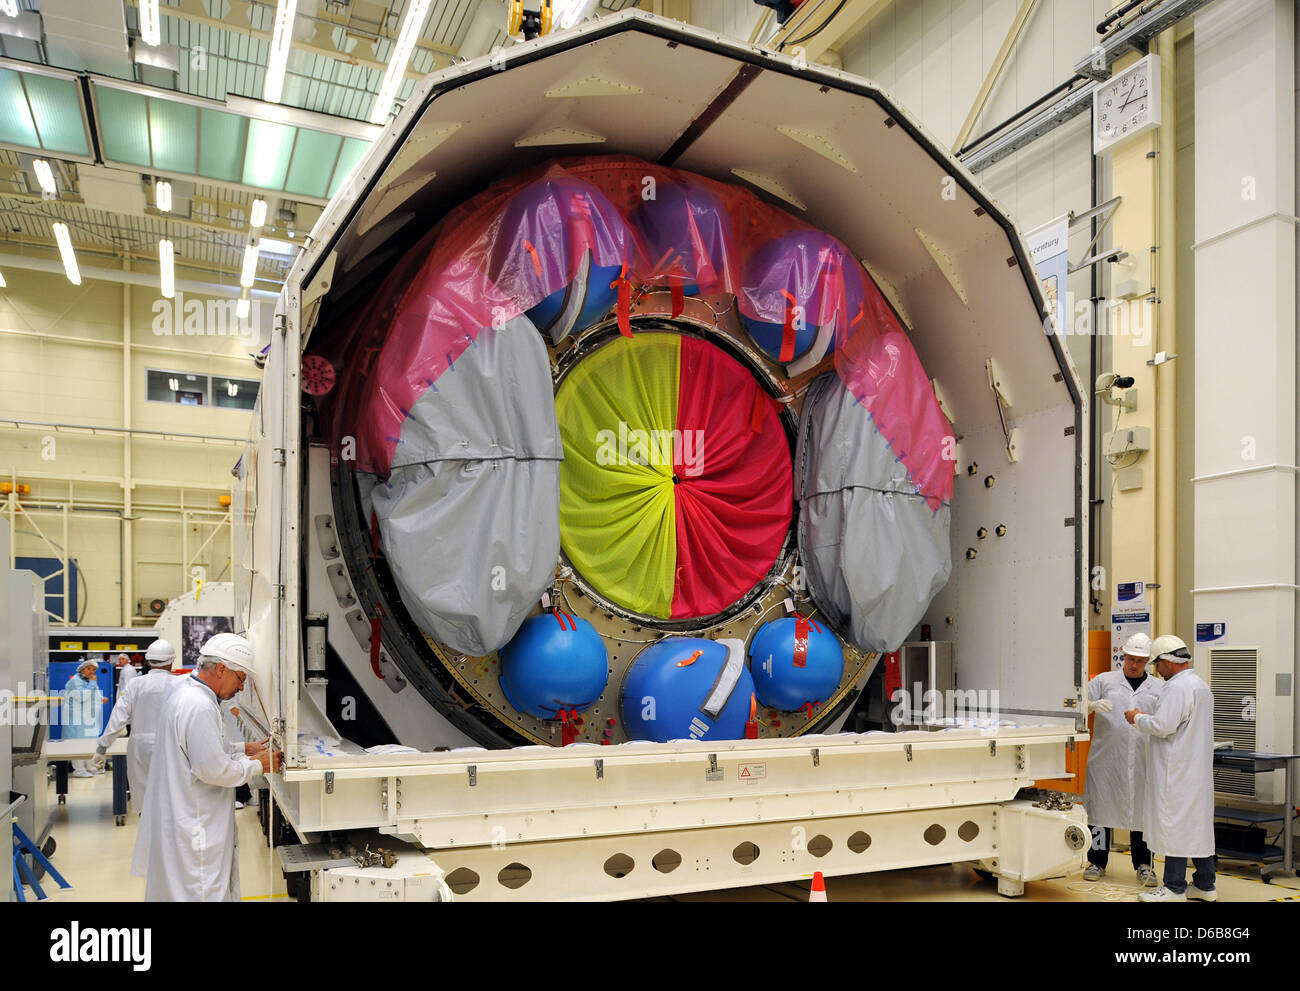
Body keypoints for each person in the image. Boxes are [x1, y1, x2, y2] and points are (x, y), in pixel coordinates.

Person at [132, 632, 282, 902]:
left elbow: (198, 749)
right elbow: (214, 770)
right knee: (202, 892)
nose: (240, 688)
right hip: (195, 828)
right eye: (240, 679)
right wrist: (259, 766)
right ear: (222, 668)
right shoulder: (200, 705)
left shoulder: (183, 690)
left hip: (181, 821)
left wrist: (242, 749)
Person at [1126, 635, 1217, 902]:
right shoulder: (1200, 685)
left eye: (1157, 664)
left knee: (1175, 826)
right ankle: (1205, 884)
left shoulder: (1178, 688)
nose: (1156, 670)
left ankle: (1175, 887)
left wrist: (1137, 718)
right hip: (1195, 772)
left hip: (1175, 772)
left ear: (1167, 662)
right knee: (1196, 827)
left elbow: (1162, 726)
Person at [1082, 632, 1163, 886]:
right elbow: (1074, 702)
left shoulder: (1158, 688)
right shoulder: (1105, 681)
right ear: (1123, 656)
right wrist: (1091, 706)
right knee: (1100, 810)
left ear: (1147, 661)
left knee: (1141, 813)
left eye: (1139, 660)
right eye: (1130, 658)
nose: (1134, 664)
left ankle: (1144, 865)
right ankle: (1096, 861)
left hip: (1143, 761)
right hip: (1106, 760)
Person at [90, 640, 179, 812]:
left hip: (139, 746)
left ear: (148, 661)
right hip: (171, 745)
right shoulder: (180, 684)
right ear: (171, 661)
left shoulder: (136, 684)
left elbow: (118, 717)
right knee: (170, 797)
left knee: (143, 797)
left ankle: (147, 832)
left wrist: (103, 746)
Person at [64, 658, 106, 777]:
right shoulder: (76, 681)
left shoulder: (90, 681)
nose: (92, 671)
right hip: (77, 718)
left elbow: (95, 694)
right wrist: (93, 683)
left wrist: (101, 699)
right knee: (77, 743)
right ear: (82, 670)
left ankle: (90, 766)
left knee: (89, 743)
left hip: (88, 718)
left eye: (93, 669)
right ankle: (79, 770)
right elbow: (82, 697)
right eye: (88, 669)